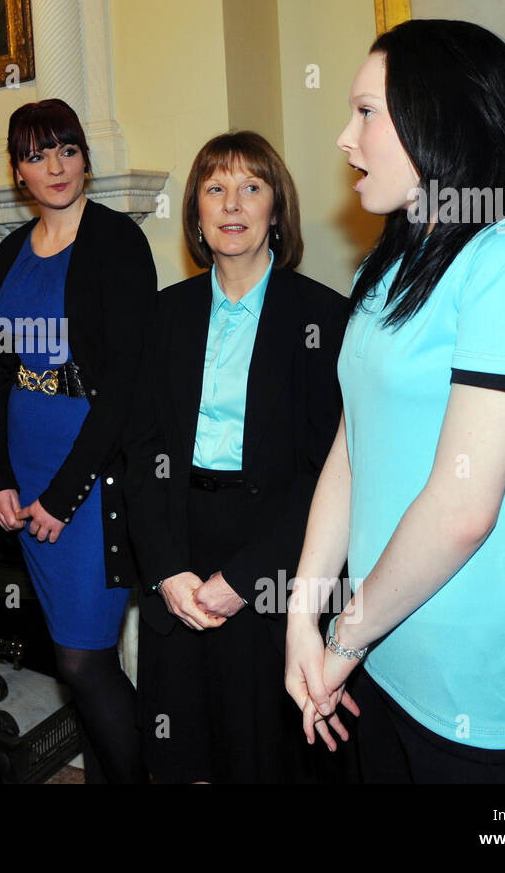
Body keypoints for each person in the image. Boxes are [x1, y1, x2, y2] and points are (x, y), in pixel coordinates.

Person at [285, 19, 505, 782]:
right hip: (385, 676)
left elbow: (461, 509)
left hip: (488, 714)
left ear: (439, 117)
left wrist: (341, 641)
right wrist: (303, 614)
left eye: (366, 112)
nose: (344, 138)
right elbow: (350, 453)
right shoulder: (387, 268)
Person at [124, 131, 347, 782]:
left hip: (275, 554)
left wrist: (246, 580)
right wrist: (165, 569)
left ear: (277, 209)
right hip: (178, 546)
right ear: (195, 211)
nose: (232, 204)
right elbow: (140, 452)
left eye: (252, 187)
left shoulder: (322, 319)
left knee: (264, 754)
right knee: (181, 747)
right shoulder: (164, 315)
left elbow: (326, 477)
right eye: (215, 188)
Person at [0, 98, 156, 783]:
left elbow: (126, 390)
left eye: (67, 149)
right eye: (36, 154)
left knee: (85, 660)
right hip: (27, 472)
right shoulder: (9, 254)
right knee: (68, 657)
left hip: (90, 478)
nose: (55, 166)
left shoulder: (117, 241)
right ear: (18, 171)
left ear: (85, 157)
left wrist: (59, 496)